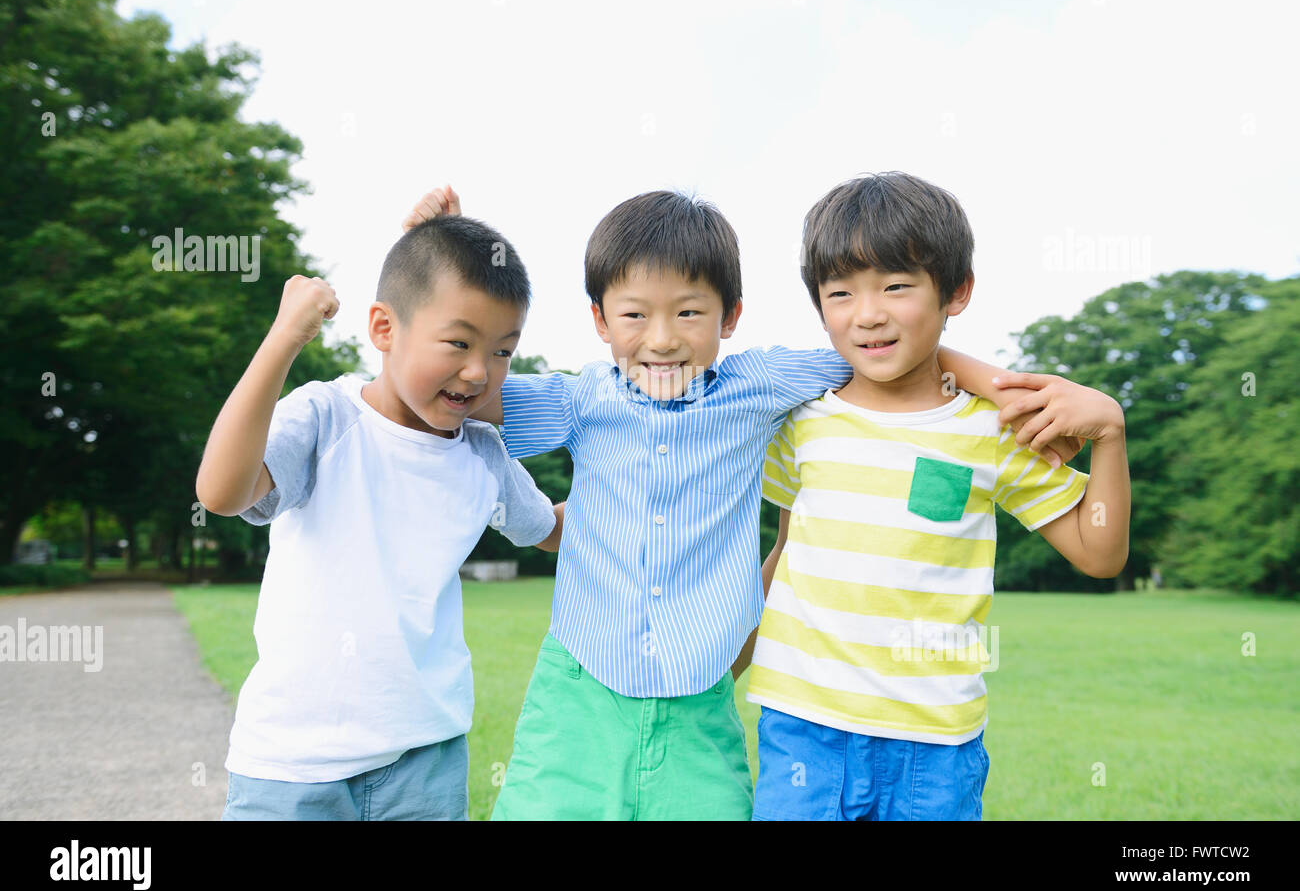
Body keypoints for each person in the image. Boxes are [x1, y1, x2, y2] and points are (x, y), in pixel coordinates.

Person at [400, 184, 1082, 820]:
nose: (662, 338)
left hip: (703, 699)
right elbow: (450, 390)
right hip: (580, 683)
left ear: (731, 317)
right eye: (635, 314)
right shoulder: (582, 399)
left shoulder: (760, 385)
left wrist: (1006, 385)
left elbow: (882, 346)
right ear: (600, 321)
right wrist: (431, 278)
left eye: (689, 313)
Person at [739, 172, 1131, 820]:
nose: (868, 313)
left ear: (957, 292)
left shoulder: (992, 429)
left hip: (935, 746)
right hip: (802, 727)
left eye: (897, 286)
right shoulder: (802, 421)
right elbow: (784, 552)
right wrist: (720, 668)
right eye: (841, 292)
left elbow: (1100, 552)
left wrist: (1111, 432)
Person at [195, 211, 562, 820]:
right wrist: (284, 336)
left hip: (425, 763)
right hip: (291, 769)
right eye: (459, 343)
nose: (479, 371)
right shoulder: (326, 419)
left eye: (502, 351)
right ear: (383, 328)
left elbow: (551, 528)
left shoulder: (483, 455)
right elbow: (221, 492)